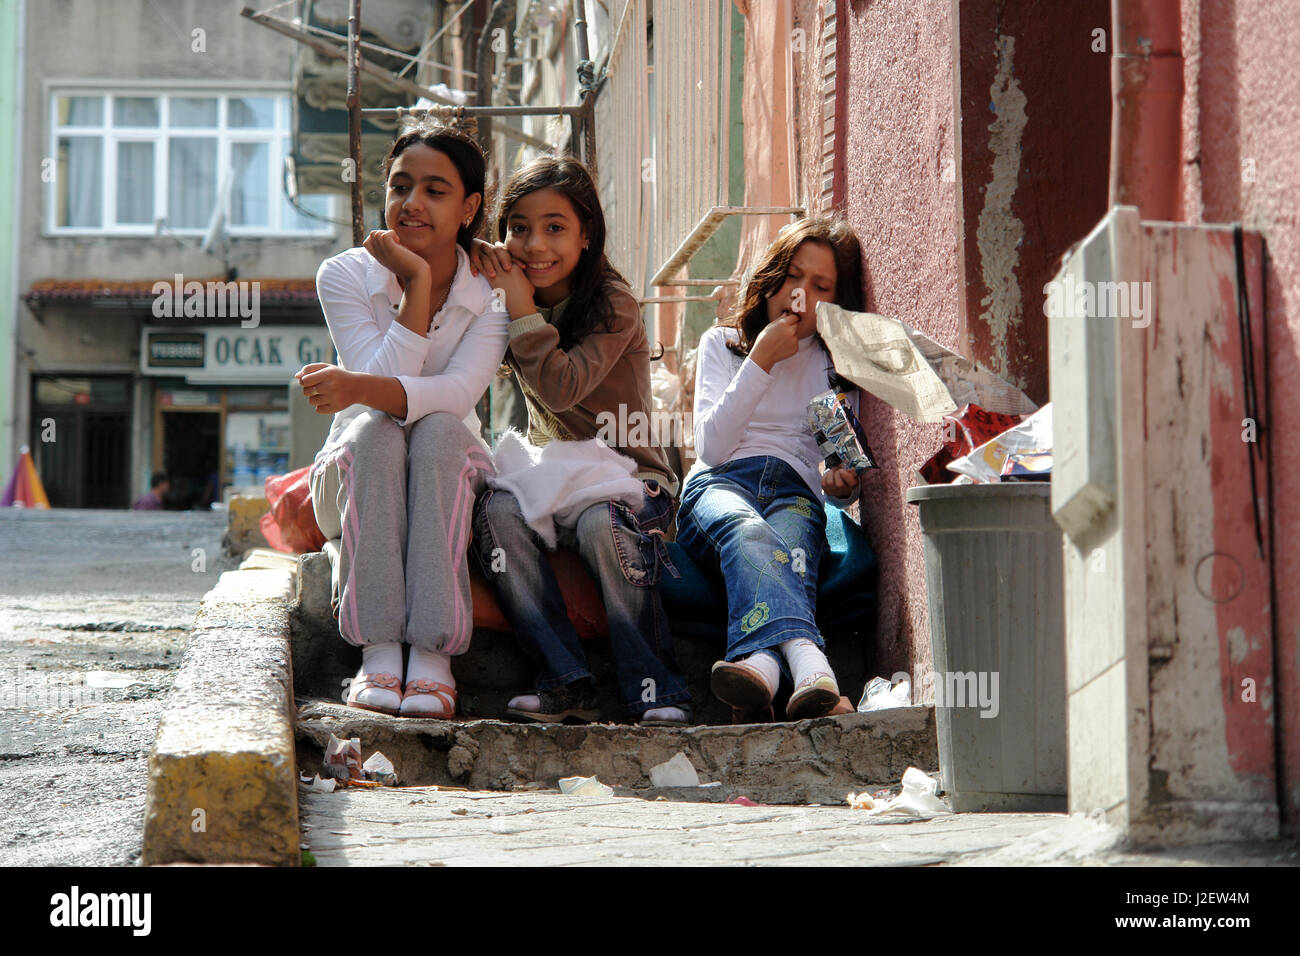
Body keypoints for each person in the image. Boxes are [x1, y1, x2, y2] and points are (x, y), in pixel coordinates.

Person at [468, 155, 690, 726]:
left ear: (587, 234)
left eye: (555, 227)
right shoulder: (508, 296)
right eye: (518, 228)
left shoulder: (614, 304)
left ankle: (657, 688)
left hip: (634, 482)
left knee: (601, 523)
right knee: (493, 510)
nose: (535, 244)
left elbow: (563, 389)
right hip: (556, 477)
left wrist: (518, 308)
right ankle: (564, 681)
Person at [297, 123, 509, 718]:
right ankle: (380, 648)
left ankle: (434, 657)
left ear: (469, 208)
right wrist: (416, 283)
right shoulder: (343, 275)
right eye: (401, 185)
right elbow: (370, 407)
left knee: (441, 429)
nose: (412, 203)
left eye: (435, 190)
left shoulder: (490, 291)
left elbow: (458, 392)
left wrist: (357, 385)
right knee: (376, 431)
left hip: (445, 472)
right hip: (356, 470)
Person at [674, 217, 865, 722]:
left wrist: (840, 485)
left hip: (794, 490)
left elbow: (839, 472)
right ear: (771, 276)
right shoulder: (724, 344)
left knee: (796, 551)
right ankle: (811, 662)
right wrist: (760, 360)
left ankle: (759, 666)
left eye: (820, 287)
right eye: (792, 277)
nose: (800, 295)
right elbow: (712, 447)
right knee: (748, 532)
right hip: (719, 483)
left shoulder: (834, 367)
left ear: (836, 303)